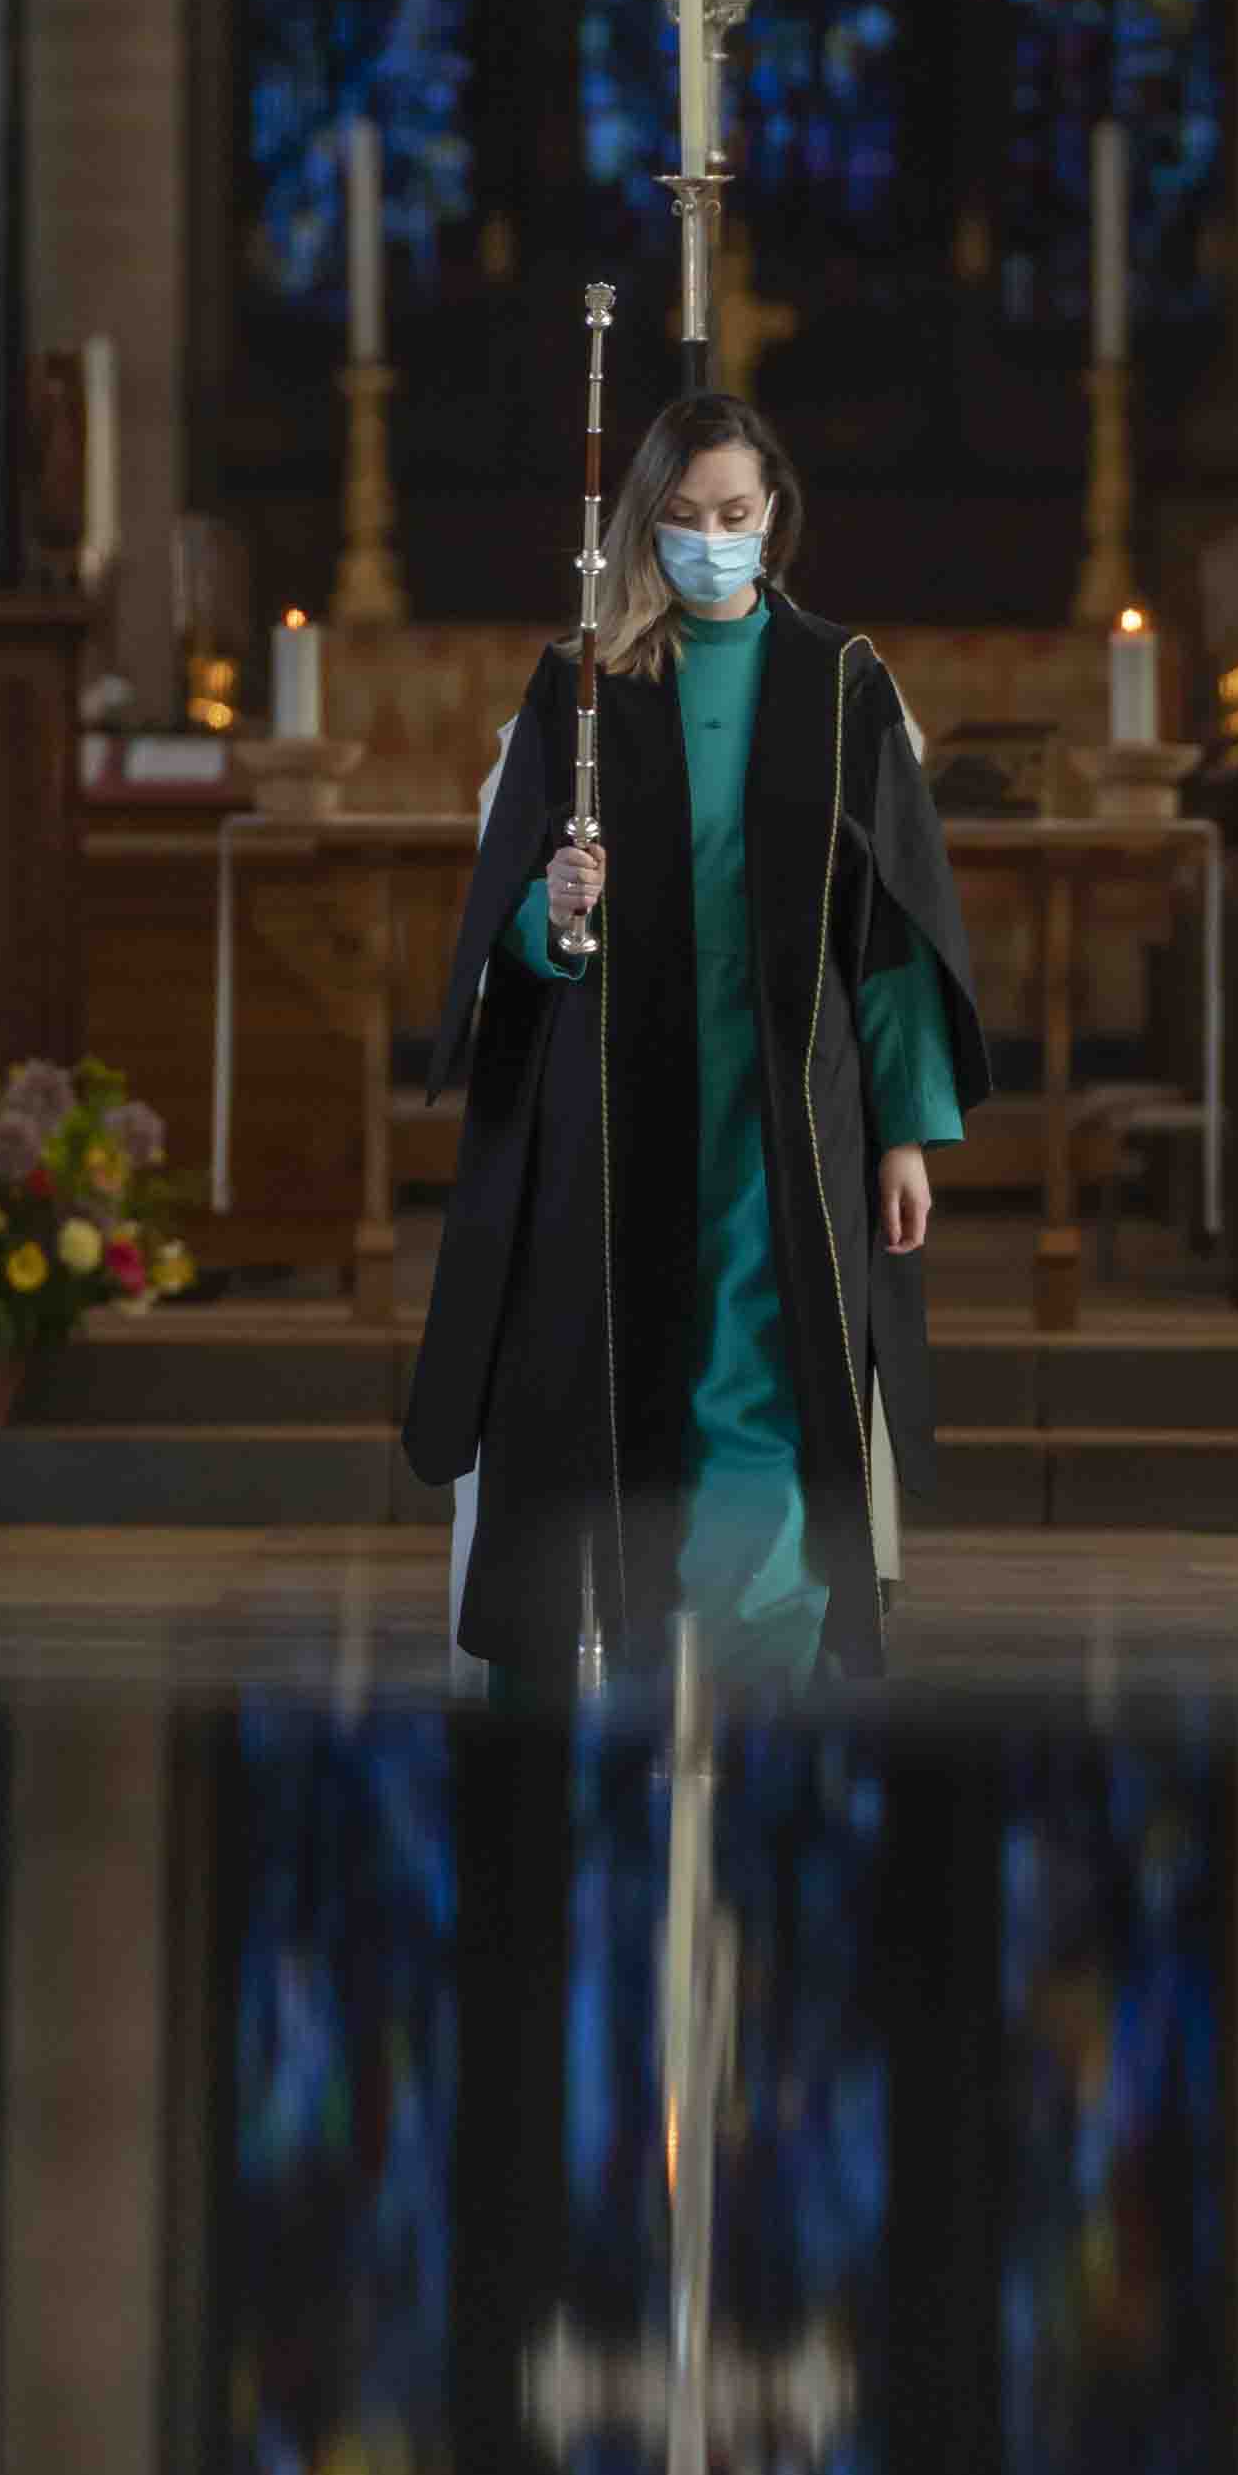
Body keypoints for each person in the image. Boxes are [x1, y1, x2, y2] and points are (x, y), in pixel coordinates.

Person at [403, 391, 985, 1690]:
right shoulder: (583, 685)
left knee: (767, 1364)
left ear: (773, 515)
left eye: (733, 514)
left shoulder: (840, 681)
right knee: (607, 1358)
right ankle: (614, 1636)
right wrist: (550, 916)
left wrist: (906, 1131)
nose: (711, 540)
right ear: (637, 526)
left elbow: (884, 931)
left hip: (791, 1091)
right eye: (680, 519)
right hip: (614, 1094)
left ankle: (757, 1659)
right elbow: (503, 922)